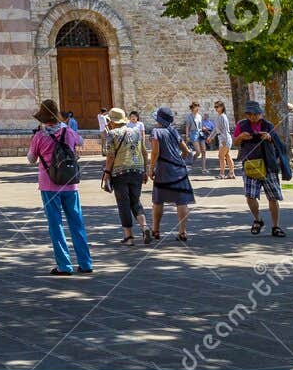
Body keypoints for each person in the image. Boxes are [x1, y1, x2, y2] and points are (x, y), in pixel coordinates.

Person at [27, 98, 92, 275]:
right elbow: (81, 142)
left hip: (49, 185)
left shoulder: (39, 136)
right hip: (70, 184)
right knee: (77, 222)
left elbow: (31, 159)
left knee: (55, 225)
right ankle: (86, 263)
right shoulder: (68, 131)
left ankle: (64, 265)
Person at [234, 100, 290, 237]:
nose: (253, 116)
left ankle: (275, 226)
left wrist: (269, 137)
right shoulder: (241, 125)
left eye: (256, 114)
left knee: (273, 197)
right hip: (250, 165)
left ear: (260, 113)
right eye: (250, 114)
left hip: (268, 165)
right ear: (247, 115)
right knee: (250, 196)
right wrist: (240, 137)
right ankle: (258, 220)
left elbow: (279, 144)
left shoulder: (268, 125)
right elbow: (235, 142)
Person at [100, 107, 150, 243]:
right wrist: (146, 170)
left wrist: (107, 173)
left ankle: (129, 236)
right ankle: (144, 227)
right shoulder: (136, 132)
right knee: (135, 201)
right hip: (137, 170)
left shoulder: (112, 134)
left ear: (113, 121)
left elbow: (110, 156)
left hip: (120, 172)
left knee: (123, 203)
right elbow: (144, 152)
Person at [148, 106, 194, 242]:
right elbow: (185, 149)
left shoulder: (156, 132)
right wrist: (181, 157)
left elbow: (155, 152)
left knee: (158, 200)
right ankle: (183, 232)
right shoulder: (173, 131)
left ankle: (155, 230)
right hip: (179, 168)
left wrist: (151, 168)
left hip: (163, 168)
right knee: (181, 200)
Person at [210, 100, 235, 178]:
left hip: (224, 138)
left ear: (222, 107)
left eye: (217, 107)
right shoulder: (219, 116)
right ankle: (231, 173)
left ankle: (222, 174)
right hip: (222, 137)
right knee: (227, 155)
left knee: (221, 156)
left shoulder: (223, 116)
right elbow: (215, 129)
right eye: (215, 107)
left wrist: (224, 140)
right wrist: (211, 137)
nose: (216, 108)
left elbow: (225, 129)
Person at [183, 101, 207, 174]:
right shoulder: (189, 116)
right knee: (198, 152)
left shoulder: (199, 116)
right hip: (193, 134)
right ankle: (191, 162)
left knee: (204, 151)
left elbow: (200, 125)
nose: (198, 109)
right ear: (193, 108)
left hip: (200, 133)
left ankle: (203, 168)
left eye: (198, 107)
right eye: (196, 107)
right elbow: (187, 127)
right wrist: (187, 136)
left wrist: (204, 128)